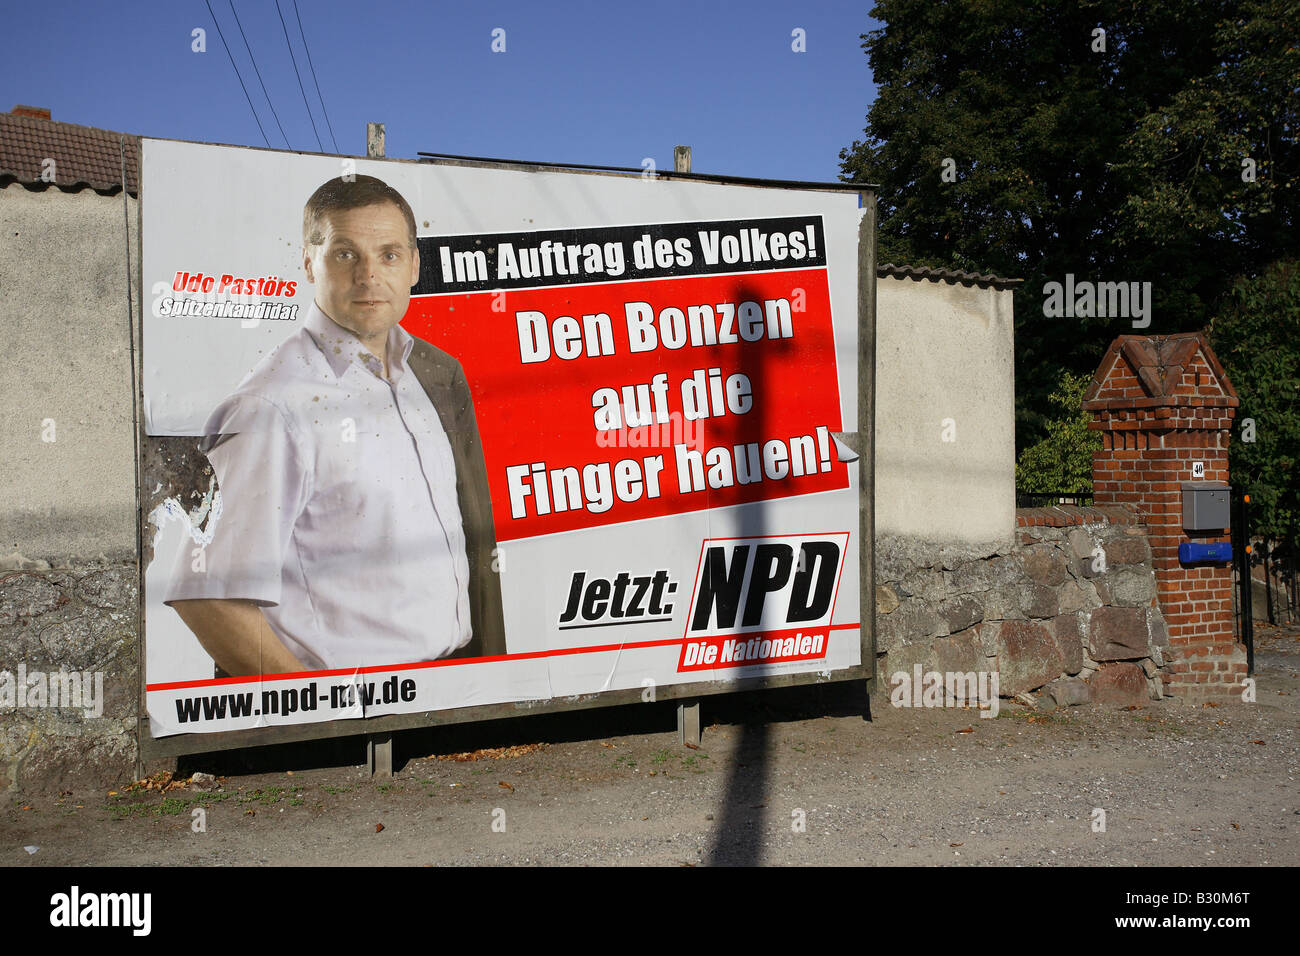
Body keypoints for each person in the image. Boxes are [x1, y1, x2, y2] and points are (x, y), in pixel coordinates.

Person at [165, 174, 505, 676]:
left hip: (450, 684)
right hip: (357, 706)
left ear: (414, 265)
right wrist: (320, 707)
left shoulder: (428, 374)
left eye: (389, 255)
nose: (369, 276)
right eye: (346, 254)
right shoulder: (272, 407)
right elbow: (206, 595)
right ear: (309, 262)